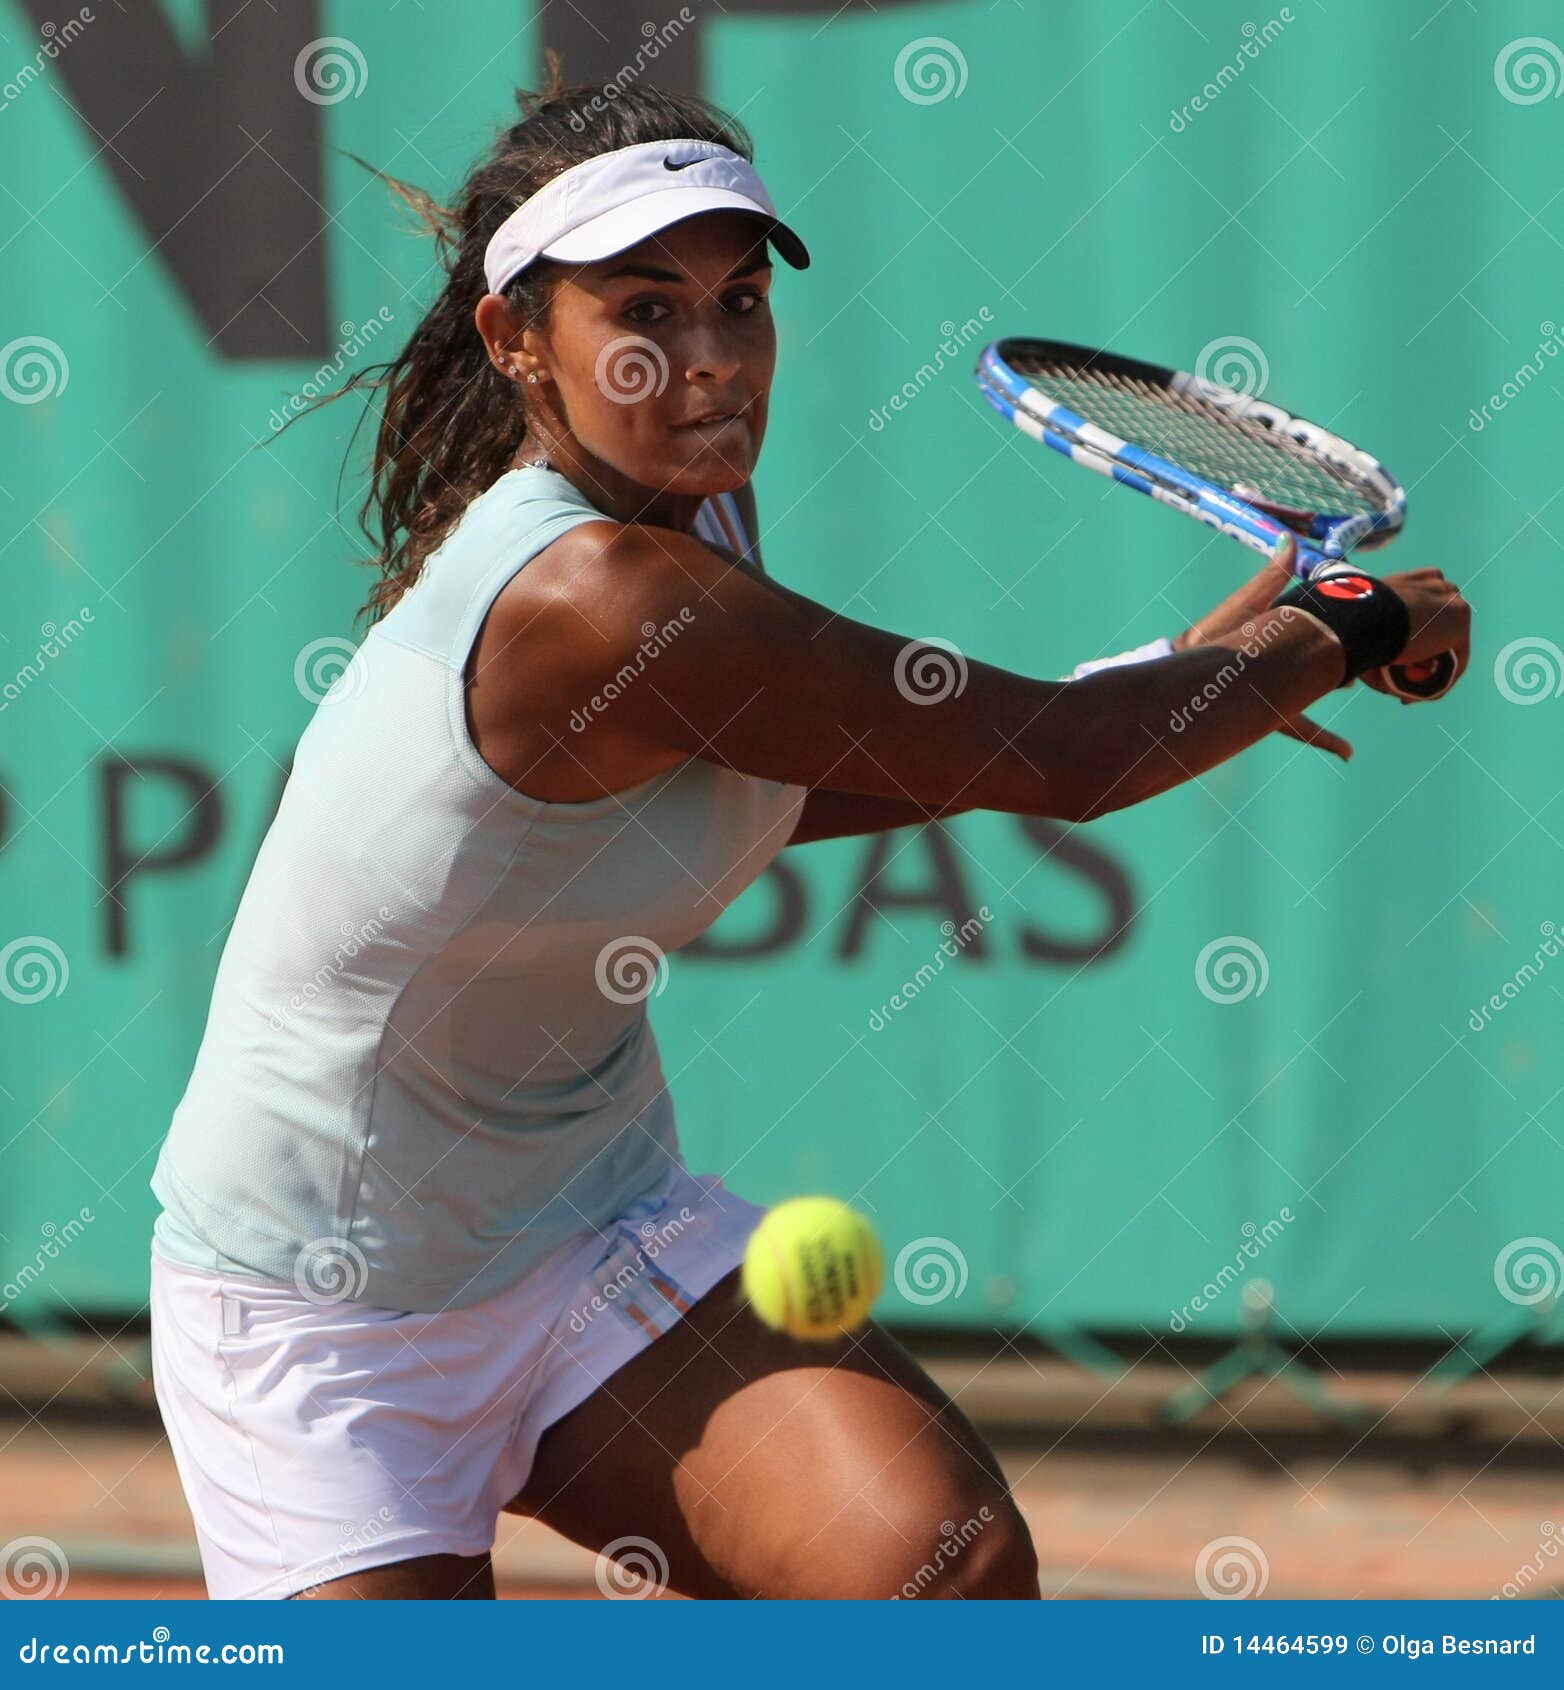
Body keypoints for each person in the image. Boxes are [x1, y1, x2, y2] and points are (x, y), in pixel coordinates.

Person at [147, 63, 1470, 1602]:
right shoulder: (598, 599)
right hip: (321, 1316)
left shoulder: (691, 514)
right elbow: (1062, 762)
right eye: (643, 315)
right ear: (520, 342)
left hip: (593, 1241)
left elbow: (819, 775)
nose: (710, 361)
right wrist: (1349, 621)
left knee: (938, 1574)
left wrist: (1184, 682)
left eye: (737, 303)